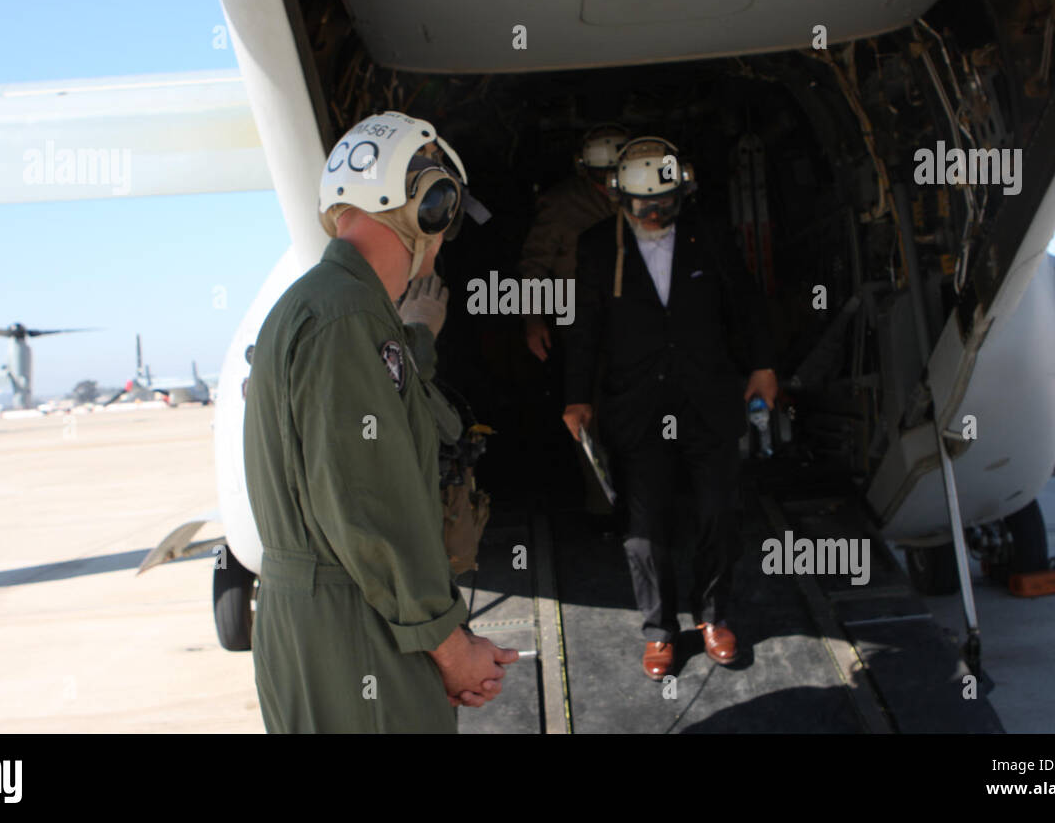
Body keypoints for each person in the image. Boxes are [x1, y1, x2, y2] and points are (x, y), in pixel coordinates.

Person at [243, 110, 518, 732]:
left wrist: (414, 337)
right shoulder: (346, 320)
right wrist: (453, 650)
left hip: (329, 624)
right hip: (358, 627)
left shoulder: (325, 307)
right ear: (429, 207)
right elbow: (370, 509)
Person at [561, 136, 777, 681]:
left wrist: (763, 366)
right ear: (619, 198)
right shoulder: (594, 247)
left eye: (665, 204)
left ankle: (713, 616)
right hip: (637, 403)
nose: (655, 215)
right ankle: (659, 630)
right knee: (643, 527)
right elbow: (583, 328)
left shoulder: (712, 235)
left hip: (707, 396)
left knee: (719, 512)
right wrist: (577, 397)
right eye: (643, 206)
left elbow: (745, 303)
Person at [519, 124, 627, 361]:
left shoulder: (640, 199)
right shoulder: (561, 204)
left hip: (634, 312)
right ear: (584, 169)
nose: (608, 183)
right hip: (584, 318)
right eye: (601, 176)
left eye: (615, 173)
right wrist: (533, 319)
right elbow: (534, 265)